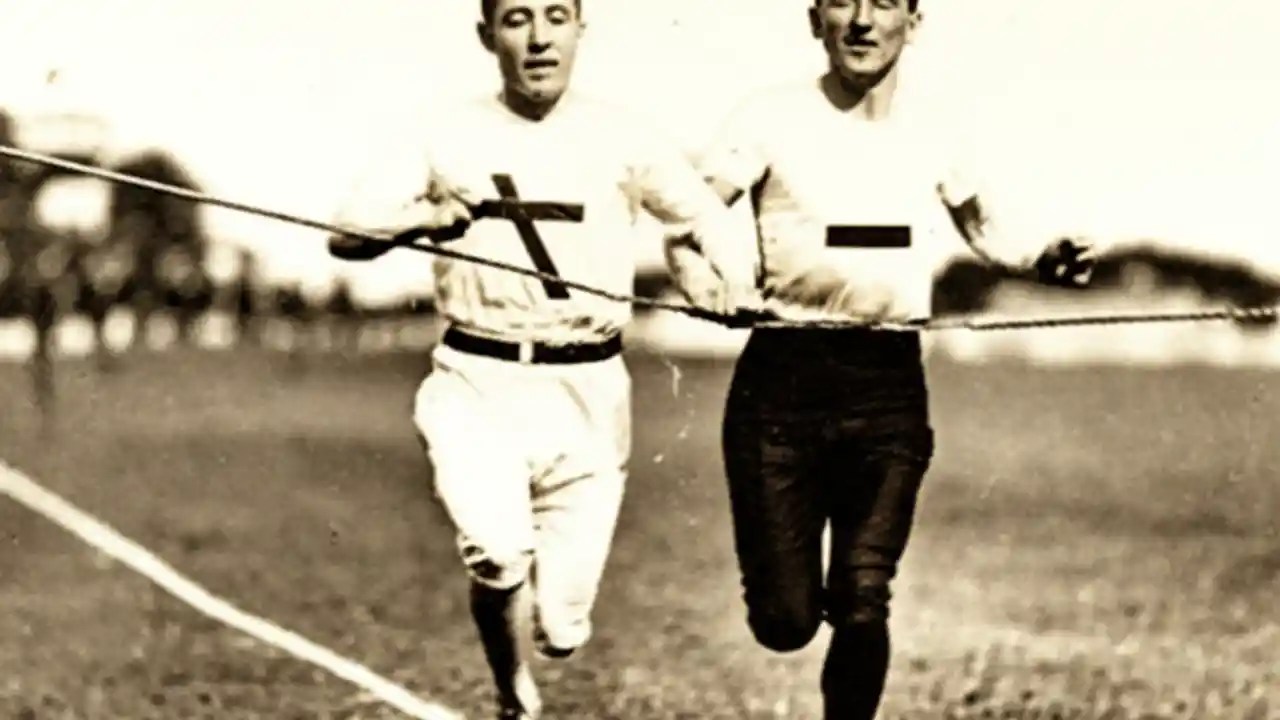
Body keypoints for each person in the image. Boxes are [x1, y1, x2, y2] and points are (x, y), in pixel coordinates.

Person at [326, 1, 758, 717]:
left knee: (563, 627)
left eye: (556, 15)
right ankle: (510, 691)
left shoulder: (621, 134)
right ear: (486, 34)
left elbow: (702, 217)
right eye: (517, 17)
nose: (537, 37)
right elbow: (345, 234)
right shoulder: (444, 131)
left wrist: (725, 283)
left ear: (580, 30)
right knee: (495, 552)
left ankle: (543, 648)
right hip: (476, 378)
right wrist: (422, 219)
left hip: (588, 393)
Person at [672, 1, 1098, 718]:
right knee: (786, 620)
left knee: (865, 596)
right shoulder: (767, 117)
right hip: (783, 382)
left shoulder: (934, 127)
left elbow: (982, 225)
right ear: (815, 20)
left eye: (883, 3)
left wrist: (1042, 258)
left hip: (888, 383)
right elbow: (687, 226)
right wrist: (707, 286)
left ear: (914, 20)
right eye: (843, 2)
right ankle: (787, 612)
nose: (863, 21)